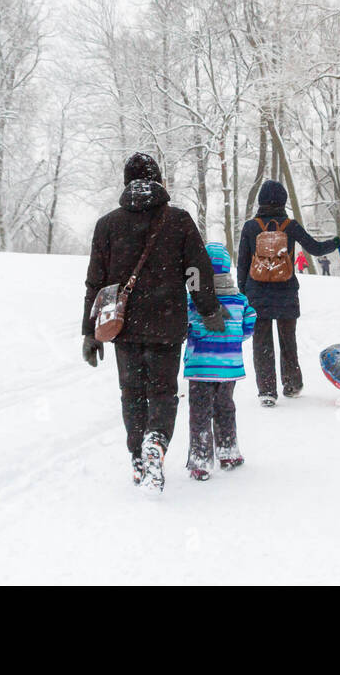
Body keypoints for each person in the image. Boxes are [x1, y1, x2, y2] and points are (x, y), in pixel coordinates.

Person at [81, 152, 226, 496]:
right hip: (166, 324)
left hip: (124, 328)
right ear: (159, 179)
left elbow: (95, 282)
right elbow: (197, 270)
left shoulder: (108, 225)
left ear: (126, 182)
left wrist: (89, 333)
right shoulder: (178, 220)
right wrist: (209, 309)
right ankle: (155, 443)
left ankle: (137, 457)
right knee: (163, 391)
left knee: (131, 393)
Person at [236, 180, 340, 406]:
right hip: (286, 293)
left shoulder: (251, 227)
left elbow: (242, 263)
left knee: (261, 343)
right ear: (283, 200)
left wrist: (244, 294)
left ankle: (266, 391)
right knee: (287, 340)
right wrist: (334, 244)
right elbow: (315, 248)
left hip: (257, 293)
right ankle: (291, 384)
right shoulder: (290, 225)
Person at [184, 242, 257, 481]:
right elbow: (248, 327)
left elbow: (186, 327)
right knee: (225, 406)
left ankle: (201, 462)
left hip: (200, 368)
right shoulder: (240, 300)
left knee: (200, 413)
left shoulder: (193, 299)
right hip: (229, 367)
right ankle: (228, 452)